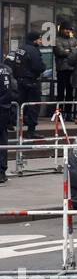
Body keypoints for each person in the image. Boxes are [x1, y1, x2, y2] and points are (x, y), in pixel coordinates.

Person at [13, 31, 44, 138]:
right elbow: (38, 67)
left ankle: (19, 129)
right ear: (35, 40)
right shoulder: (33, 50)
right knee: (33, 106)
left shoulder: (20, 49)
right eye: (39, 39)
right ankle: (31, 131)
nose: (40, 41)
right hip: (32, 81)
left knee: (21, 105)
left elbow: (15, 66)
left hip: (21, 81)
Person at [54, 27, 74, 110]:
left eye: (69, 29)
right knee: (60, 92)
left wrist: (68, 51)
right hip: (61, 68)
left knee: (70, 92)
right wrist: (72, 50)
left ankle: (68, 113)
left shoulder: (73, 39)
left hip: (72, 69)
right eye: (66, 28)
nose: (68, 31)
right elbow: (60, 52)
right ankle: (59, 112)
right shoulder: (57, 40)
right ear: (62, 29)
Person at [0, 54, 11, 183]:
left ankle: (1, 170)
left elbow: (6, 93)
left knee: (2, 140)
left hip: (1, 111)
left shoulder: (3, 71)